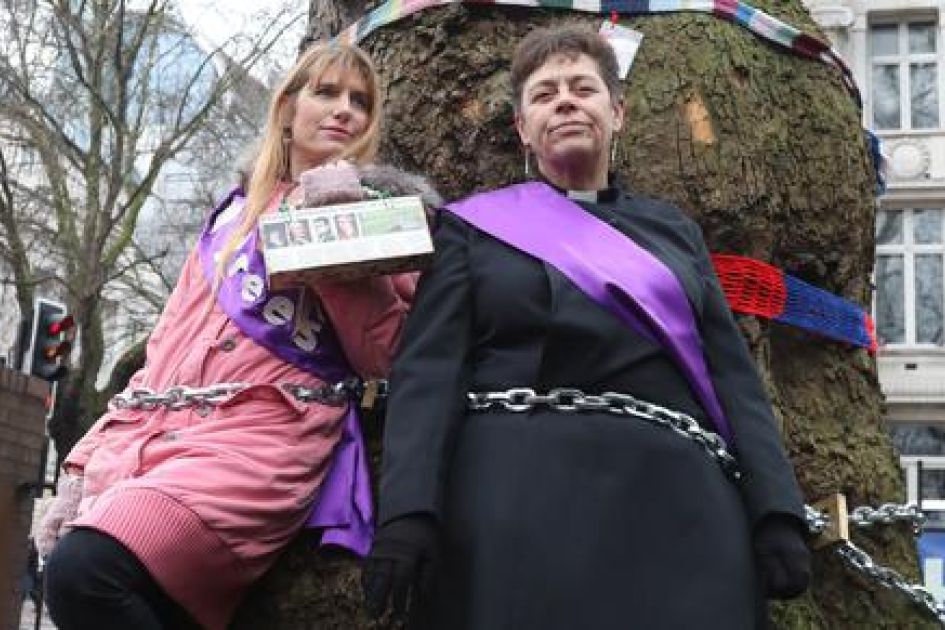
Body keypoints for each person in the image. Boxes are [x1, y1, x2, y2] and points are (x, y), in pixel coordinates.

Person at [362, 26, 810, 630]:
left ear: (617, 112)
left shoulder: (675, 232)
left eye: (582, 88)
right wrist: (408, 513)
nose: (565, 101)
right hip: (512, 507)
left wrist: (776, 512)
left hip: (680, 510)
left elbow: (733, 376)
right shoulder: (473, 230)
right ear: (523, 129)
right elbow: (429, 373)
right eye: (544, 95)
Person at [38, 42, 421, 630]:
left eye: (361, 102)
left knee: (86, 572)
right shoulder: (230, 216)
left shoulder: (378, 213)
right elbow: (158, 364)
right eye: (327, 93)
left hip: (261, 444)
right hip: (158, 444)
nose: (346, 110)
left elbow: (390, 354)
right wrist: (83, 465)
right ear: (287, 108)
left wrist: (333, 241)